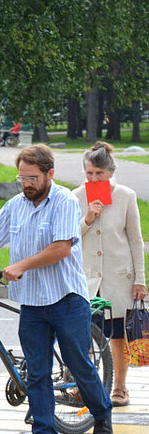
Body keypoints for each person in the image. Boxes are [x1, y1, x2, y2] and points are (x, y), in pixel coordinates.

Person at [0, 143, 113, 434]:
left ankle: (102, 411)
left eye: (33, 177)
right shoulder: (16, 205)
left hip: (67, 298)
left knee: (78, 362)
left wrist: (21, 265)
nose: (26, 183)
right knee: (37, 370)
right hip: (33, 303)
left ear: (50, 174)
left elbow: (62, 248)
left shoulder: (63, 201)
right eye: (22, 177)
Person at [72, 142, 146, 407]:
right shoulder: (76, 197)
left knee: (117, 336)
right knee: (84, 335)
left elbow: (135, 240)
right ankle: (84, 387)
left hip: (119, 277)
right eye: (89, 173)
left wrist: (140, 279)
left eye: (98, 173)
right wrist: (88, 219)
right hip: (87, 278)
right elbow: (70, 238)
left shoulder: (126, 195)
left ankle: (120, 388)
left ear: (110, 172)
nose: (93, 178)